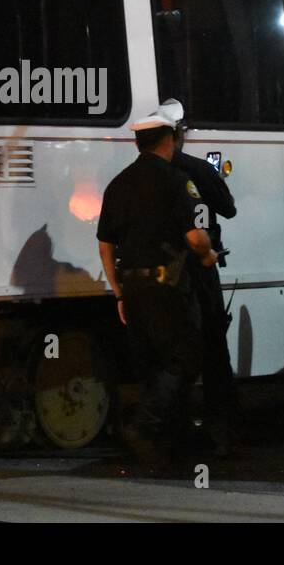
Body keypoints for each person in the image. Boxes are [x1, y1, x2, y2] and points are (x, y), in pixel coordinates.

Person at [97, 108, 218, 463]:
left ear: (138, 142)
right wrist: (209, 254)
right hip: (168, 287)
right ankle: (144, 426)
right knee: (182, 358)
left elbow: (105, 244)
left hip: (132, 288)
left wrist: (118, 290)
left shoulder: (117, 184)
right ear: (169, 139)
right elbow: (196, 237)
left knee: (150, 364)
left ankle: (163, 445)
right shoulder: (178, 181)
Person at [156, 99, 238, 454]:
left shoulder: (143, 173)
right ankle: (222, 429)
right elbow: (228, 208)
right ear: (178, 133)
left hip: (162, 277)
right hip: (200, 270)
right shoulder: (198, 170)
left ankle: (175, 432)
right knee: (214, 350)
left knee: (174, 353)